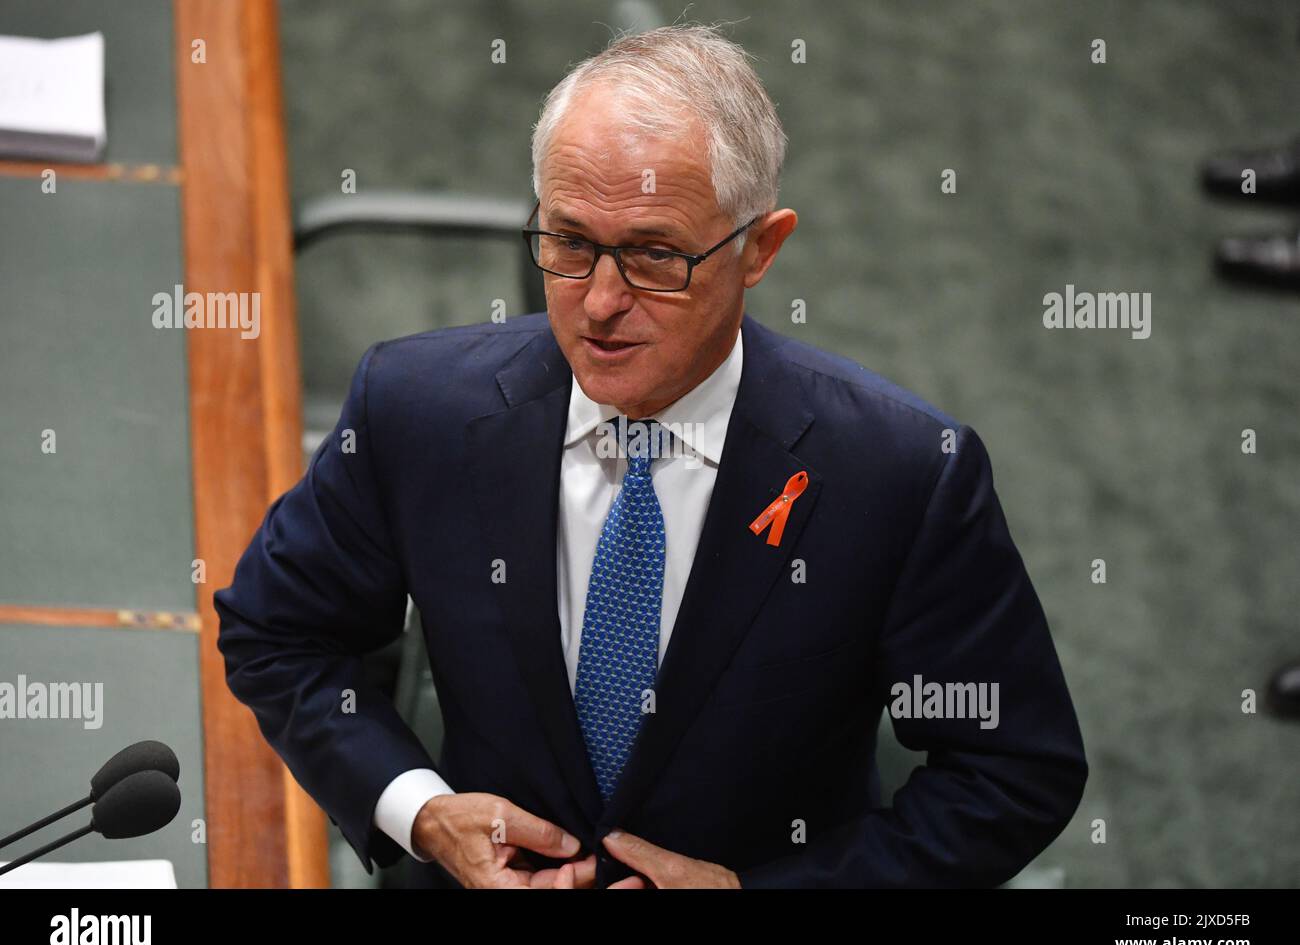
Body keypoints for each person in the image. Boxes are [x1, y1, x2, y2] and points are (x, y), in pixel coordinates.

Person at [215, 24, 1087, 889]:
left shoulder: (901, 474)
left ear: (761, 248)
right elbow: (279, 630)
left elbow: (1012, 772)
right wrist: (421, 810)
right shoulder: (416, 409)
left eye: (653, 256)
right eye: (567, 241)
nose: (598, 303)